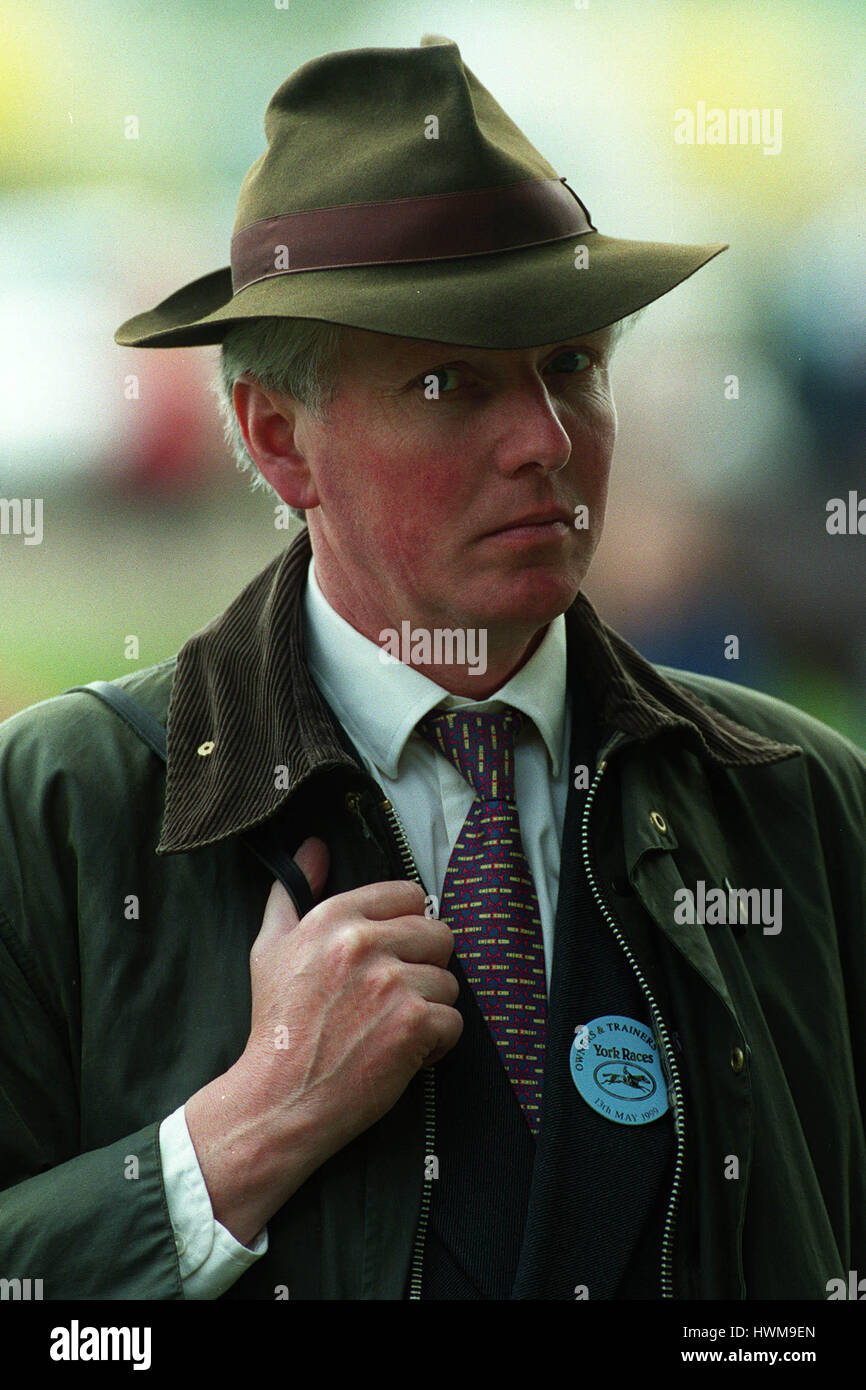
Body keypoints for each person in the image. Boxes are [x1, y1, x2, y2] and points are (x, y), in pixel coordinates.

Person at [1, 34, 863, 1302]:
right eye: (447, 381)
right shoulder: (63, 810)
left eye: (571, 363)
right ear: (279, 439)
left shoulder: (800, 802)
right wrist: (239, 1134)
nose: (544, 441)